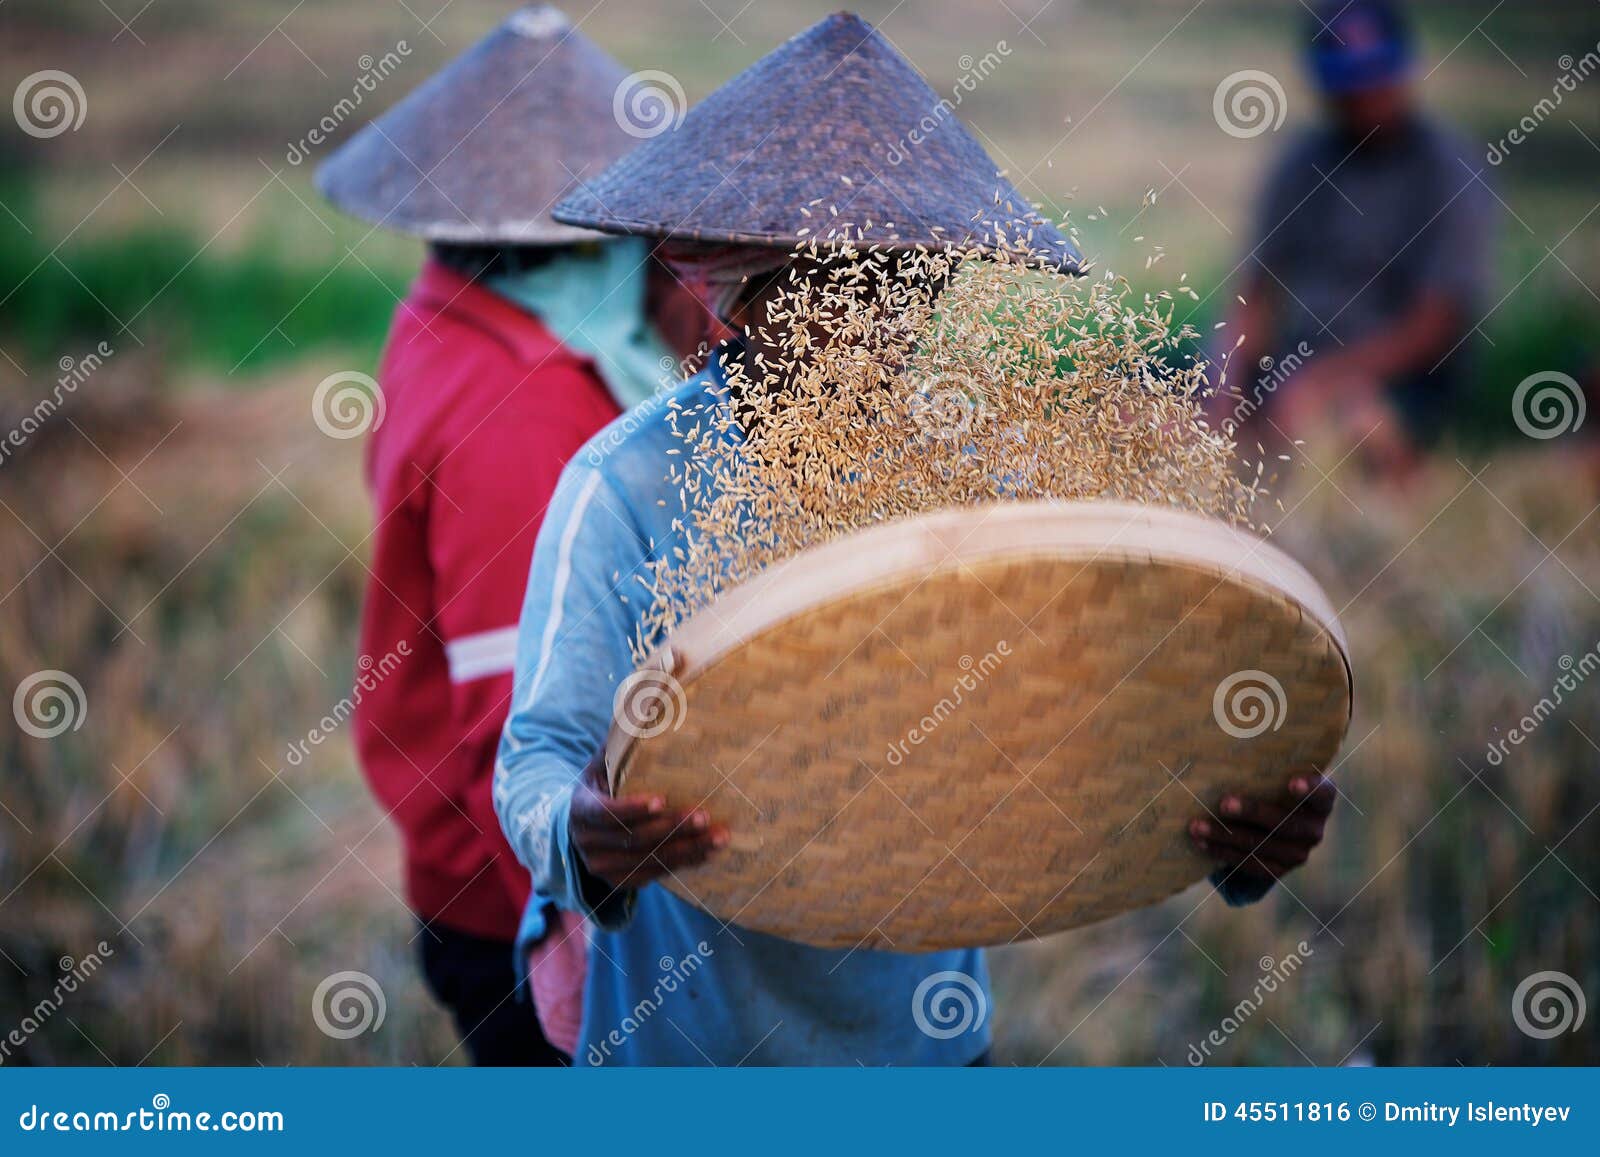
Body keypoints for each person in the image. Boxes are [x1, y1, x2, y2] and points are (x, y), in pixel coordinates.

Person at [496, 12, 1335, 1065]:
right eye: (843, 288)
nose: (880, 327)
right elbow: (533, 763)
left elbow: (1084, 735)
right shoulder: (623, 484)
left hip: (925, 1049)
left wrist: (1235, 832)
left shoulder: (978, 478)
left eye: (908, 287)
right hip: (691, 1051)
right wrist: (587, 834)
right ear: (741, 293)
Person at [317, 6, 705, 1065]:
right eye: (643, 248)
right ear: (578, 256)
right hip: (516, 900)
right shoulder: (521, 407)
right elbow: (516, 720)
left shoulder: (442, 317)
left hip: (477, 873)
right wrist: (572, 937)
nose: (667, 273)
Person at [1219, 0, 1493, 471]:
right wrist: (1225, 388)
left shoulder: (1449, 170)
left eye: (1375, 76)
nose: (1365, 96)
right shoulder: (1301, 162)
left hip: (1398, 381)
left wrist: (1322, 382)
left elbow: (1435, 326)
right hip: (1293, 365)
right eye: (1349, 82)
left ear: (1402, 71)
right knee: (1148, 390)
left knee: (1356, 425)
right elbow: (1255, 297)